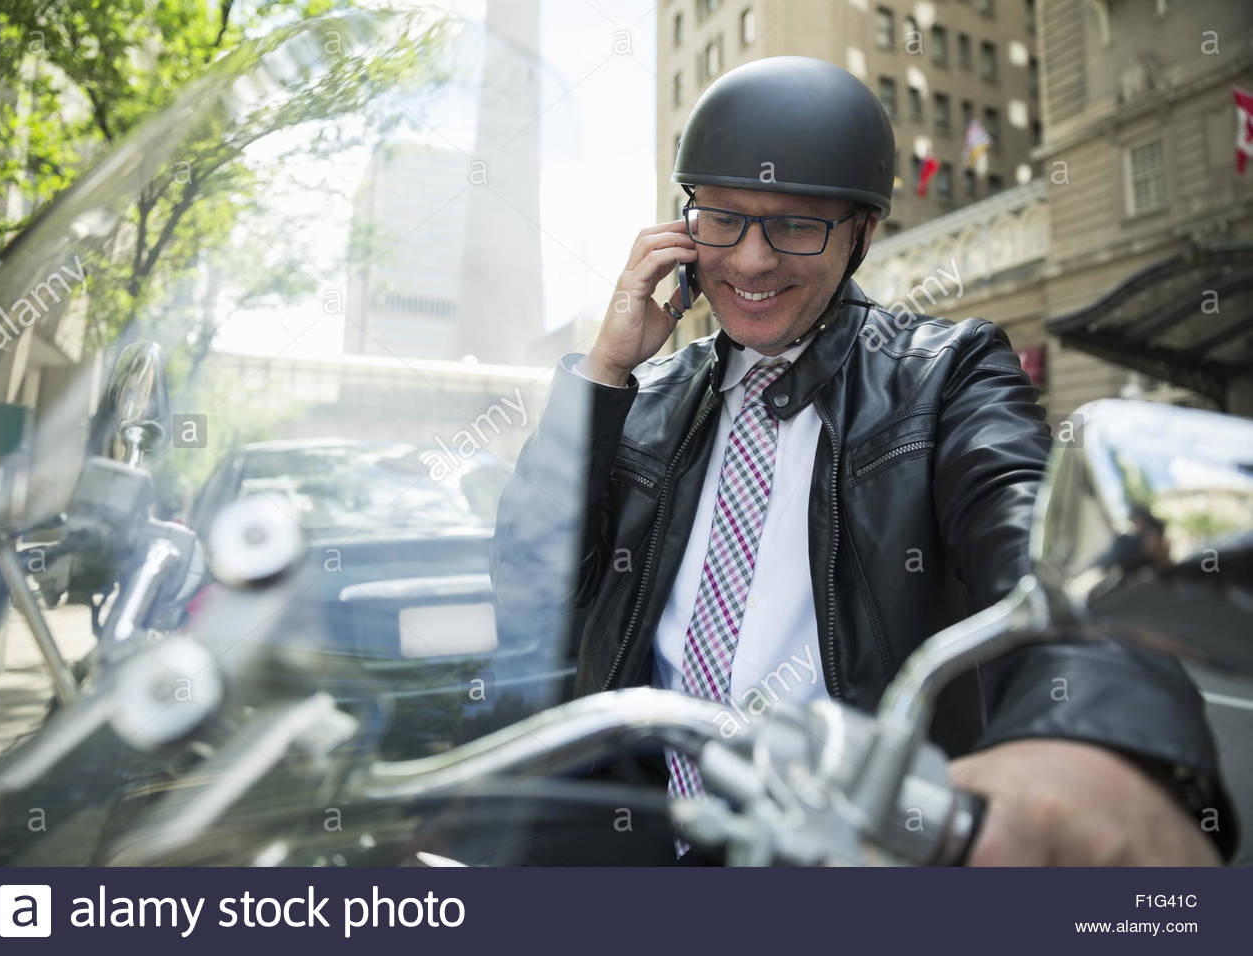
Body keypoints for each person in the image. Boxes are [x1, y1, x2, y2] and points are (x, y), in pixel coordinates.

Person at [492, 56, 1235, 864]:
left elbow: (1032, 543)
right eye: (723, 218)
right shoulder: (647, 391)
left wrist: (1100, 745)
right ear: (683, 226)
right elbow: (532, 588)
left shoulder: (947, 373)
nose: (749, 260)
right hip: (633, 844)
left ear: (862, 235)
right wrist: (604, 372)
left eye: (796, 224)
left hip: (850, 850)